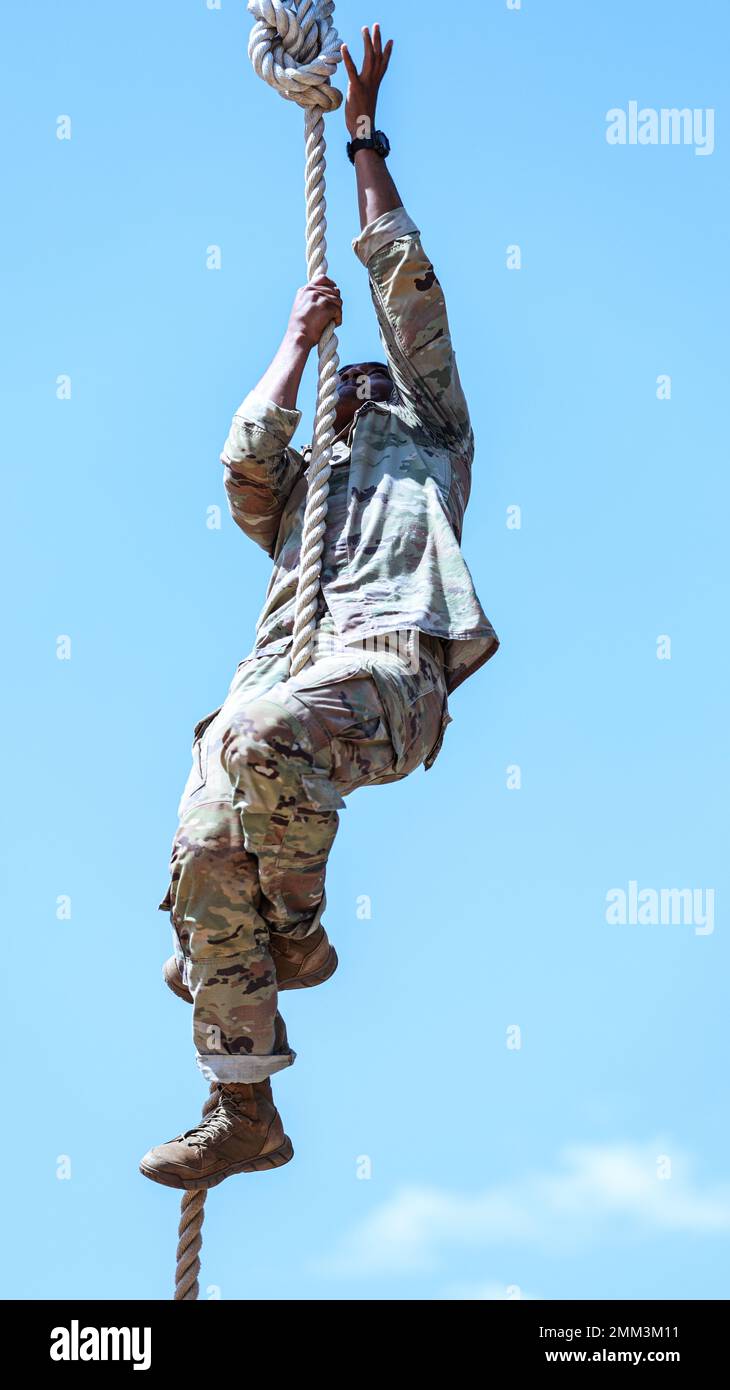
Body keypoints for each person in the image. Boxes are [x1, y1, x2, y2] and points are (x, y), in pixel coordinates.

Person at [140, 24, 499, 1190]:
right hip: (286, 701)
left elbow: (402, 276)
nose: (359, 379)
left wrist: (360, 137)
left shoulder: (430, 440)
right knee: (200, 850)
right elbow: (244, 458)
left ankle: (295, 924)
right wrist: (294, 352)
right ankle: (243, 1105)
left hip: (386, 681)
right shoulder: (300, 498)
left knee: (248, 739)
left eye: (366, 372)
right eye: (345, 380)